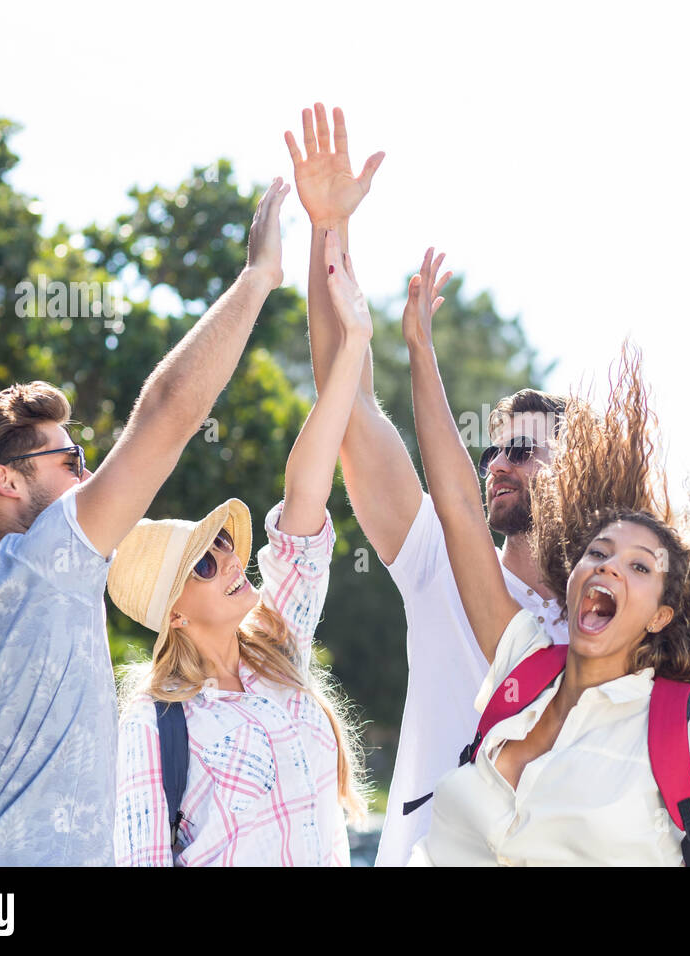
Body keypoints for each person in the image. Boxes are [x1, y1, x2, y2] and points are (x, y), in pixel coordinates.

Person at [0, 180, 291, 866]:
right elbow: (169, 414)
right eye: (71, 459)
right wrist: (257, 277)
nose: (90, 477)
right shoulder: (48, 562)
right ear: (7, 482)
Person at [402, 282, 690, 864]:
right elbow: (459, 506)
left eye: (639, 565)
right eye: (600, 553)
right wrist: (418, 351)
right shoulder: (525, 666)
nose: (610, 567)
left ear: (662, 612)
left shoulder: (682, 727)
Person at [286, 103, 573, 866]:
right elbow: (348, 406)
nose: (496, 464)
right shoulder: (435, 561)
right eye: (490, 450)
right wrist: (327, 228)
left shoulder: (606, 623)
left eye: (522, 450)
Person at [108, 231, 371, 866]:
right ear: (174, 614)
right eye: (204, 562)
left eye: (224, 546)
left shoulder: (282, 651)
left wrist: (356, 341)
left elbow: (305, 494)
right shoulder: (155, 722)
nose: (230, 560)